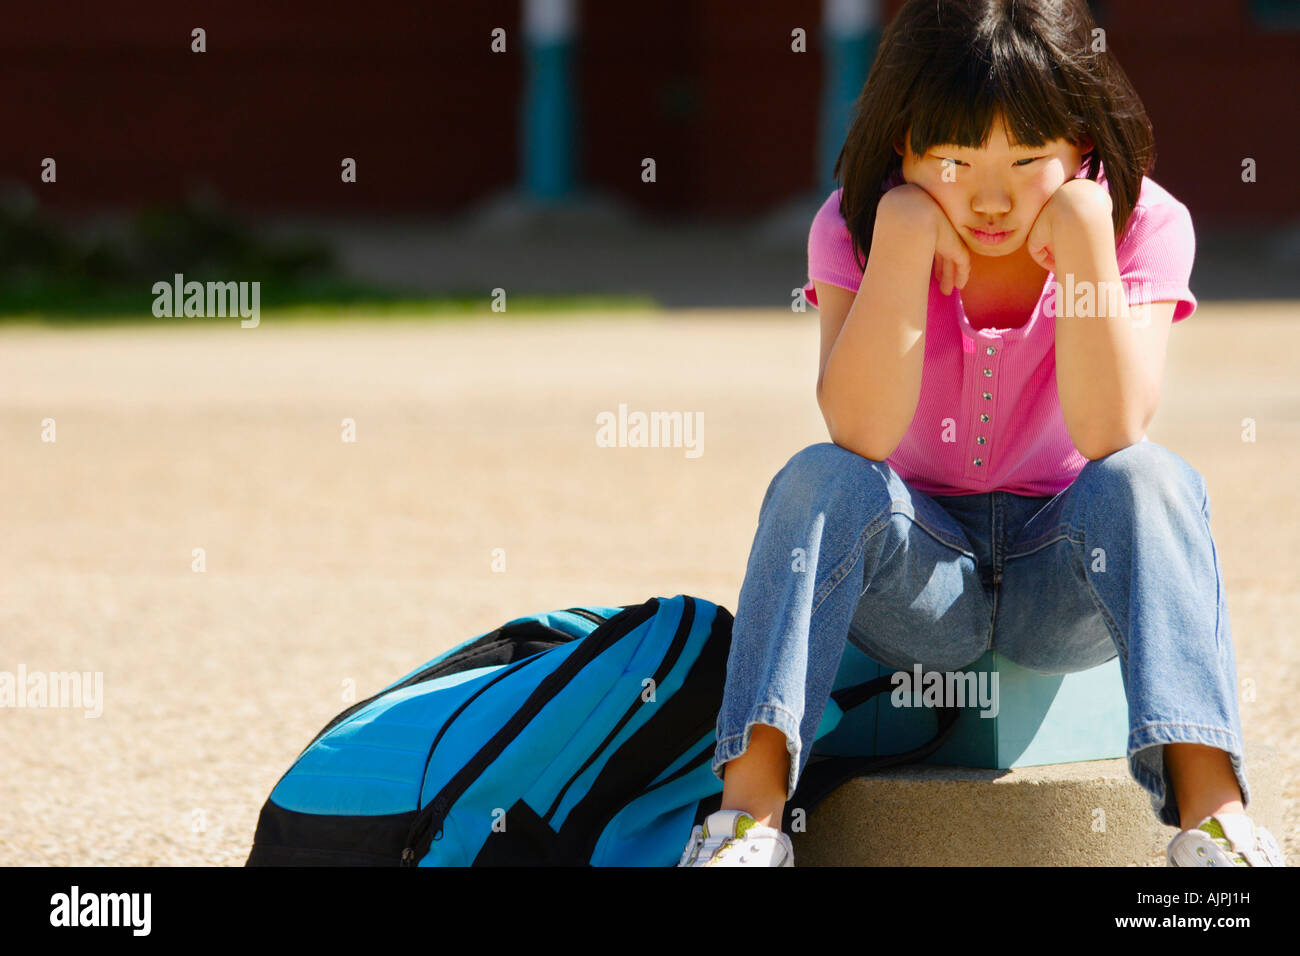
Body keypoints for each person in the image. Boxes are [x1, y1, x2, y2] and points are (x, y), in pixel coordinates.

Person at [678, 0, 1285, 867]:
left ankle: (1213, 823)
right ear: (903, 146)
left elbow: (1114, 429)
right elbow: (859, 430)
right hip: (921, 581)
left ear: (1083, 147)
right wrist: (903, 239)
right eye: (953, 160)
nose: (992, 197)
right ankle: (748, 823)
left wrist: (1081, 238)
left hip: (1066, 577)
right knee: (818, 475)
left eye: (1030, 159)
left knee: (1153, 479)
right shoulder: (856, 225)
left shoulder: (1142, 223)